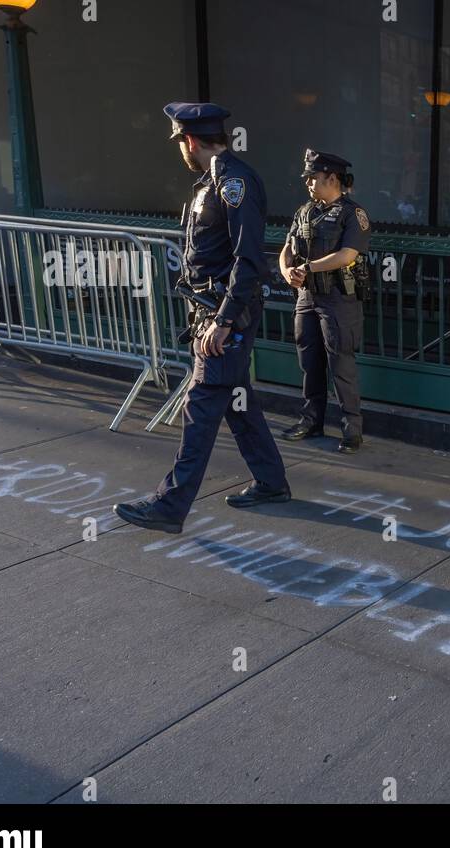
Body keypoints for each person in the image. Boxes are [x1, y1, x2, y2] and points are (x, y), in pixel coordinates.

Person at [113, 102, 290, 535]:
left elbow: (248, 260)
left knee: (202, 403)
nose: (181, 150)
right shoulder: (209, 183)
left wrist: (224, 320)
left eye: (180, 143)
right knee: (236, 400)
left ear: (189, 140)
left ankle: (169, 505)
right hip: (210, 312)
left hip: (223, 316)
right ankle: (271, 482)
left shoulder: (234, 184)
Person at [279, 149, 371, 453]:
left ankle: (351, 430)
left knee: (340, 364)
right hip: (307, 297)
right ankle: (311, 420)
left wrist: (308, 268)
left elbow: (348, 255)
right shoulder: (305, 211)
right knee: (309, 362)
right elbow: (287, 248)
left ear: (333, 178)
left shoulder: (351, 214)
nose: (308, 183)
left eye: (313, 178)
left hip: (337, 299)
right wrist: (286, 271)